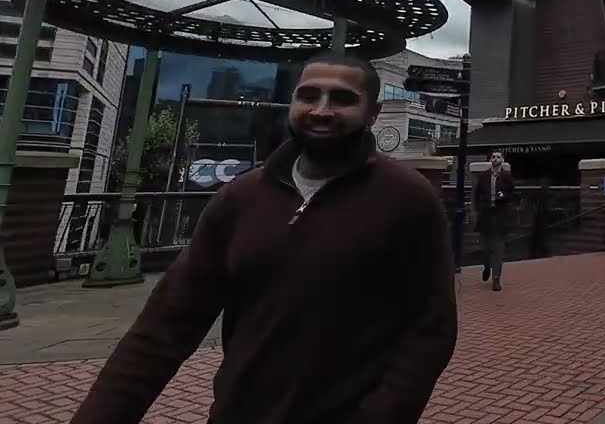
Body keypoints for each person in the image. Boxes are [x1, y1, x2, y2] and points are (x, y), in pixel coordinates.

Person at [71, 54, 458, 424]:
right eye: (309, 95)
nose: (321, 111)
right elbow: (163, 327)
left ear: (372, 114)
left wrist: (382, 416)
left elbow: (431, 329)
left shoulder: (408, 199)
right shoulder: (240, 197)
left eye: (342, 99)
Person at [473, 150, 517, 291]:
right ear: (490, 160)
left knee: (498, 249)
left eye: (498, 157)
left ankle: (496, 278)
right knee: (485, 248)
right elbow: (476, 194)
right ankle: (486, 266)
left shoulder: (507, 177)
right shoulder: (484, 176)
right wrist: (477, 209)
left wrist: (504, 196)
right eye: (493, 157)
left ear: (502, 160)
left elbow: (512, 194)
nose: (496, 159)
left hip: (500, 216)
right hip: (486, 215)